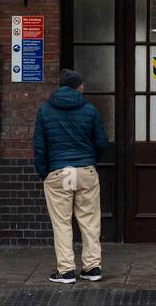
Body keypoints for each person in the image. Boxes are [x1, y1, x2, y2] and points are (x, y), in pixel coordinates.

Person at [34, 68, 109, 284]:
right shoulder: (89, 110)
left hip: (58, 171)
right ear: (79, 86)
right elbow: (102, 142)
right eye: (82, 84)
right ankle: (92, 268)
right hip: (85, 170)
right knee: (90, 221)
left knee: (62, 223)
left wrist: (44, 172)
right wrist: (90, 161)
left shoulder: (45, 110)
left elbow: (39, 146)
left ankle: (66, 271)